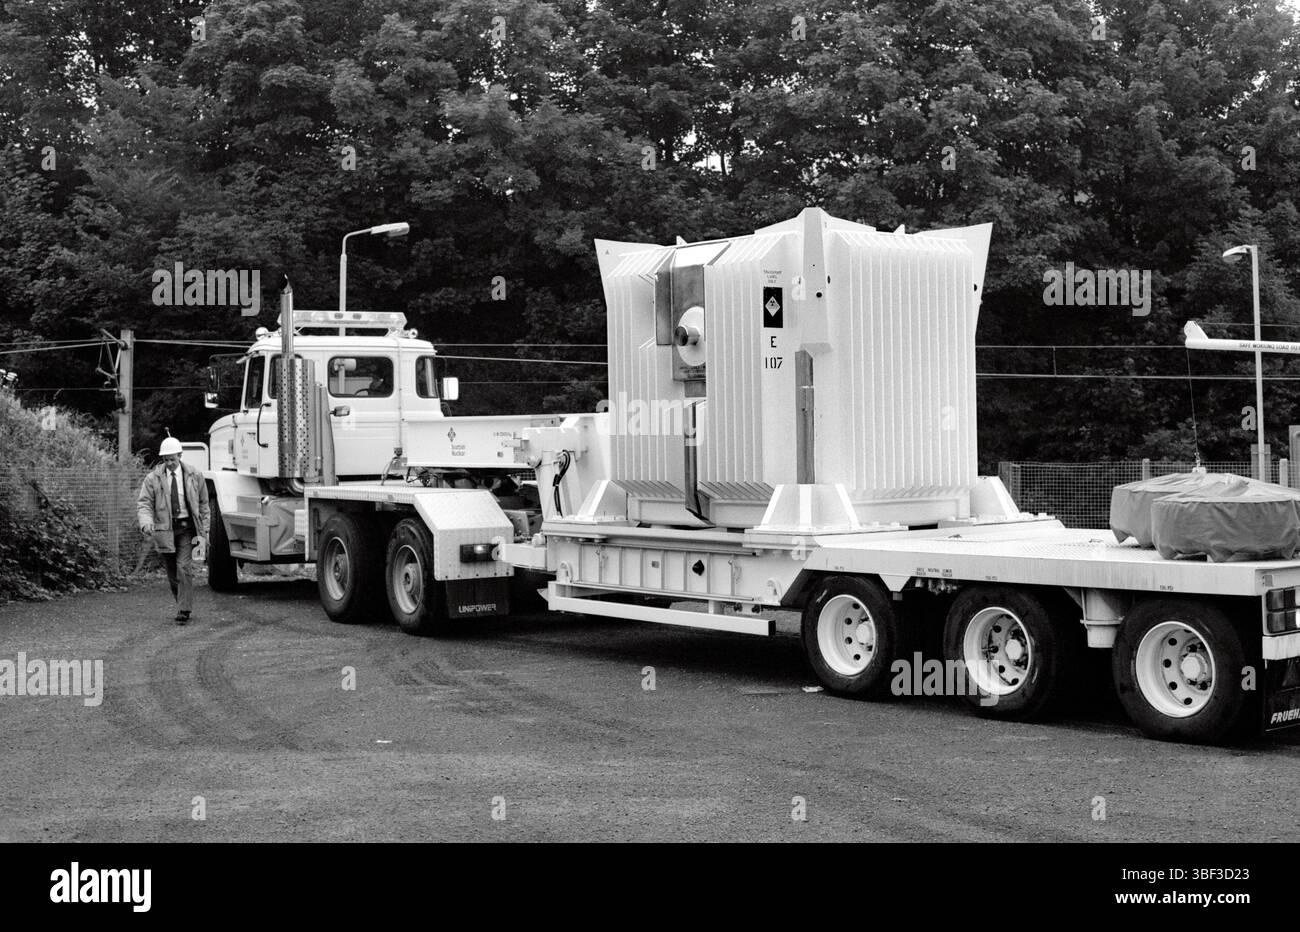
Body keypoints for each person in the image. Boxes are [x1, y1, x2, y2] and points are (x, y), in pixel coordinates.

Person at [137, 436, 210, 625]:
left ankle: (184, 609)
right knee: (171, 572)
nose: (169, 463)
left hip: (187, 528)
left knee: (183, 567)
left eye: (173, 459)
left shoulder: (195, 475)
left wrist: (206, 528)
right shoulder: (152, 479)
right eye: (166, 459)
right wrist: (146, 522)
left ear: (180, 455)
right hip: (164, 531)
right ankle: (182, 603)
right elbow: (144, 503)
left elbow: (203, 503)